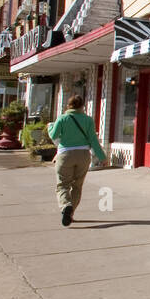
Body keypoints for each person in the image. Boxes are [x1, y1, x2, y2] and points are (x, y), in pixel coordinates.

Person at [47, 95, 106, 226]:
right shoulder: (88, 120)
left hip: (65, 155)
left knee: (62, 185)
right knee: (77, 185)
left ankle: (65, 206)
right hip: (84, 155)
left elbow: (53, 135)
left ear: (68, 105)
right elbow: (93, 140)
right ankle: (71, 213)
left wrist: (50, 127)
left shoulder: (62, 118)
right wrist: (102, 157)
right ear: (82, 106)